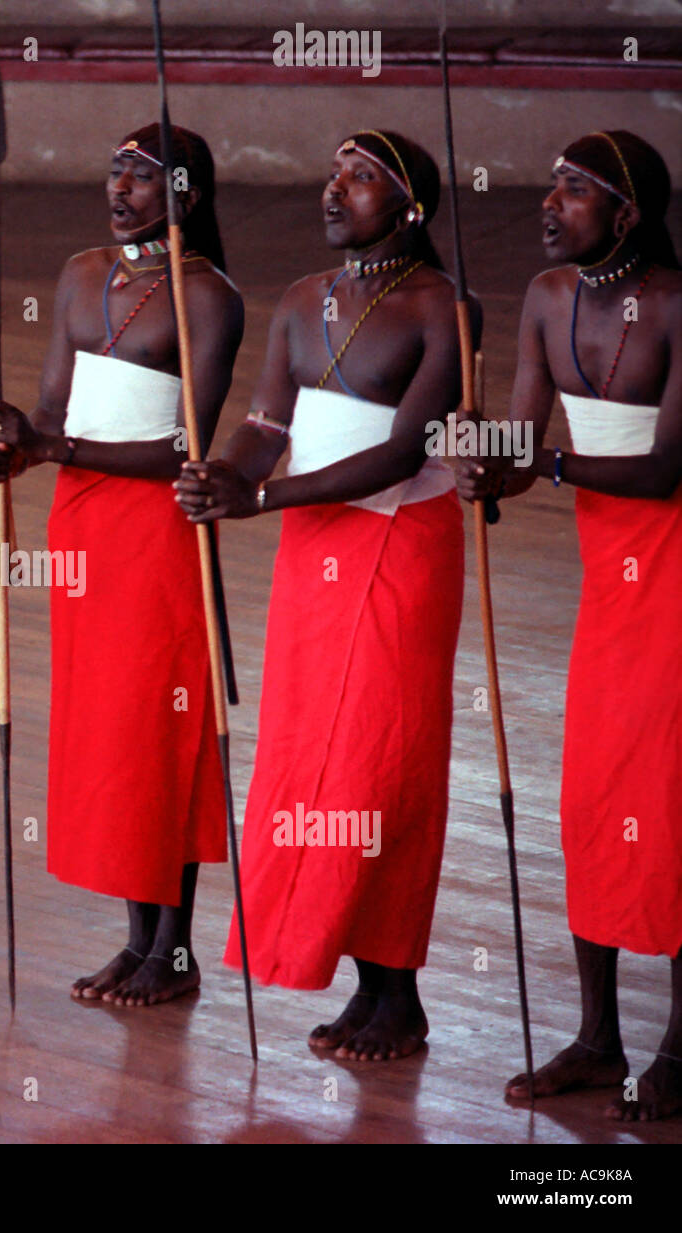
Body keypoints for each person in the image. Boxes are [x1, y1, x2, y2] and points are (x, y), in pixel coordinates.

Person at [177, 130, 476, 1058]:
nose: (333, 188)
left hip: (399, 543)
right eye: (334, 170)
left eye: (360, 177)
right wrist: (223, 474)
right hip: (315, 546)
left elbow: (401, 451)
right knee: (310, 755)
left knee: (380, 761)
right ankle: (360, 981)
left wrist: (261, 496)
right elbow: (268, 423)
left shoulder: (445, 309)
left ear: (410, 205)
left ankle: (400, 990)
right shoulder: (306, 299)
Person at [0, 124, 243, 1006]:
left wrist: (54, 444)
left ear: (187, 195)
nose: (120, 186)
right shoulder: (83, 273)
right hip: (83, 521)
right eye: (114, 169)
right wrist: (17, 446)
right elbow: (55, 410)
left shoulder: (209, 296)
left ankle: (175, 949)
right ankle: (137, 940)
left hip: (157, 528)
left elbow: (188, 443)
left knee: (162, 729)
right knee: (113, 736)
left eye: (141, 175)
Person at [458, 131, 682, 1120]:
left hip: (672, 572)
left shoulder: (678, 305)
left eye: (575, 191)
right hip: (609, 581)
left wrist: (537, 470)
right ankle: (597, 1037)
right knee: (595, 795)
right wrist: (482, 458)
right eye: (549, 183)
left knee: (667, 803)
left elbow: (661, 467)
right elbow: (522, 431)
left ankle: (679, 1047)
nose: (549, 203)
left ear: (627, 215)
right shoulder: (548, 299)